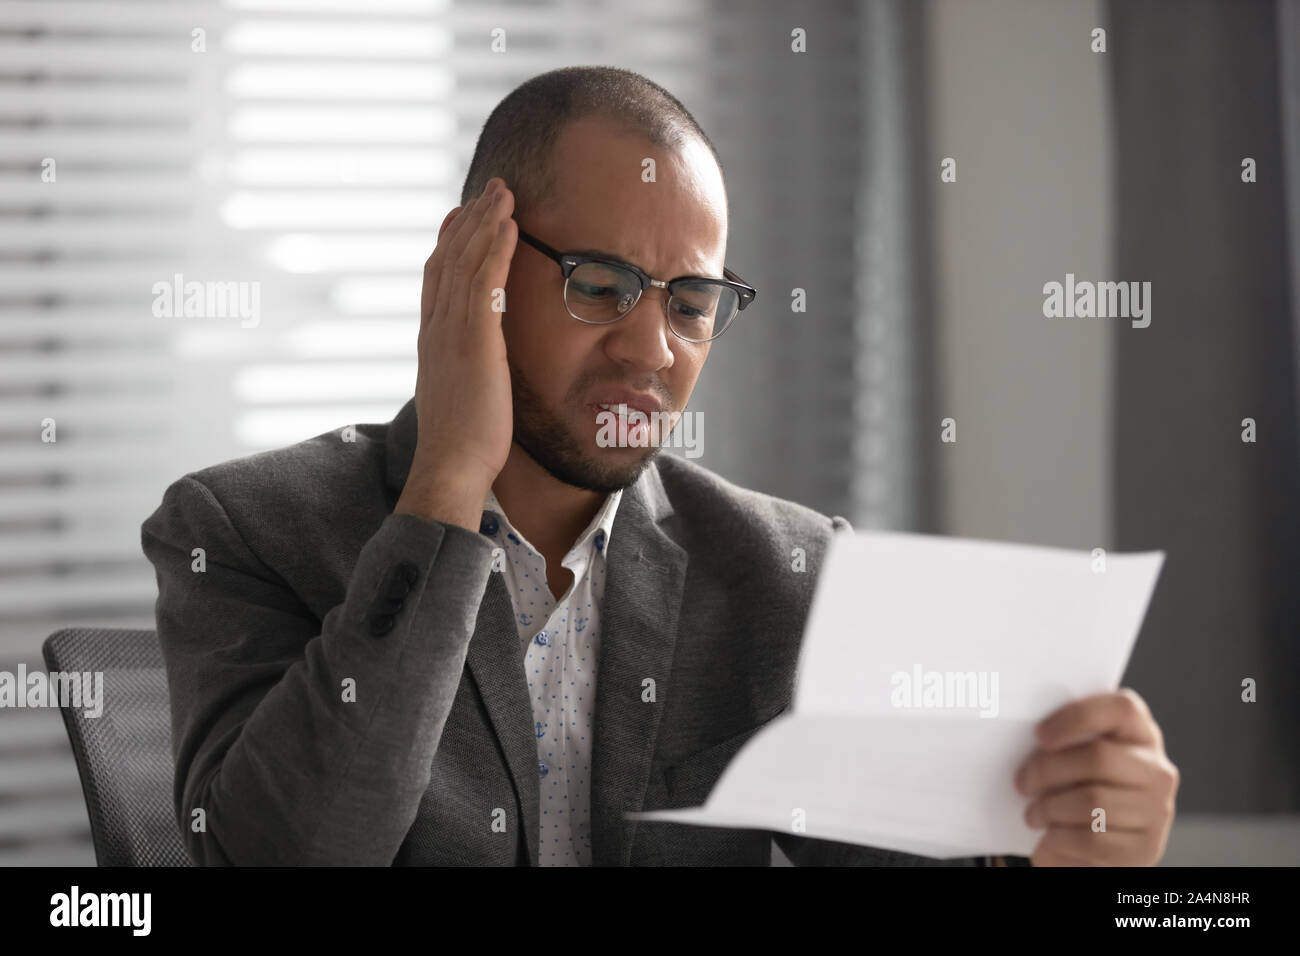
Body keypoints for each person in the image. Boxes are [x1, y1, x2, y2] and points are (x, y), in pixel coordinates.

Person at [141, 65, 1178, 866]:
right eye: (601, 283)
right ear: (476, 266)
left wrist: (1059, 849)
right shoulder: (241, 527)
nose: (652, 350)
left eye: (689, 303)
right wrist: (450, 482)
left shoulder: (786, 568)